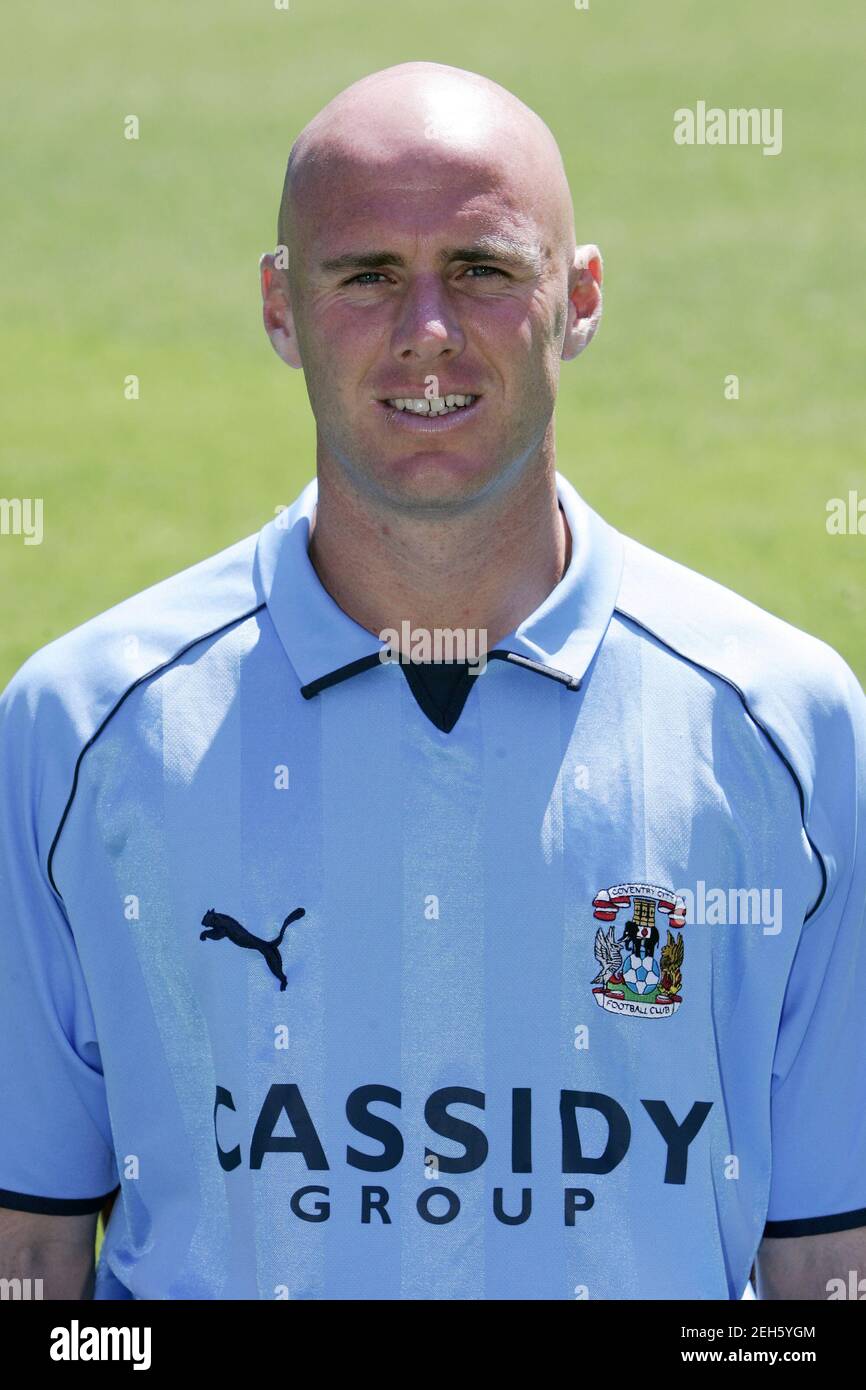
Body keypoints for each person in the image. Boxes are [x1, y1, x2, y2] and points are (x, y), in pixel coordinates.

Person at [1, 61, 864, 1302]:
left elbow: (826, 1265)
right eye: (364, 276)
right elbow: (29, 1260)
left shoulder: (786, 727)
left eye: (482, 269)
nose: (426, 333)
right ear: (279, 305)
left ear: (578, 298)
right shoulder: (78, 729)